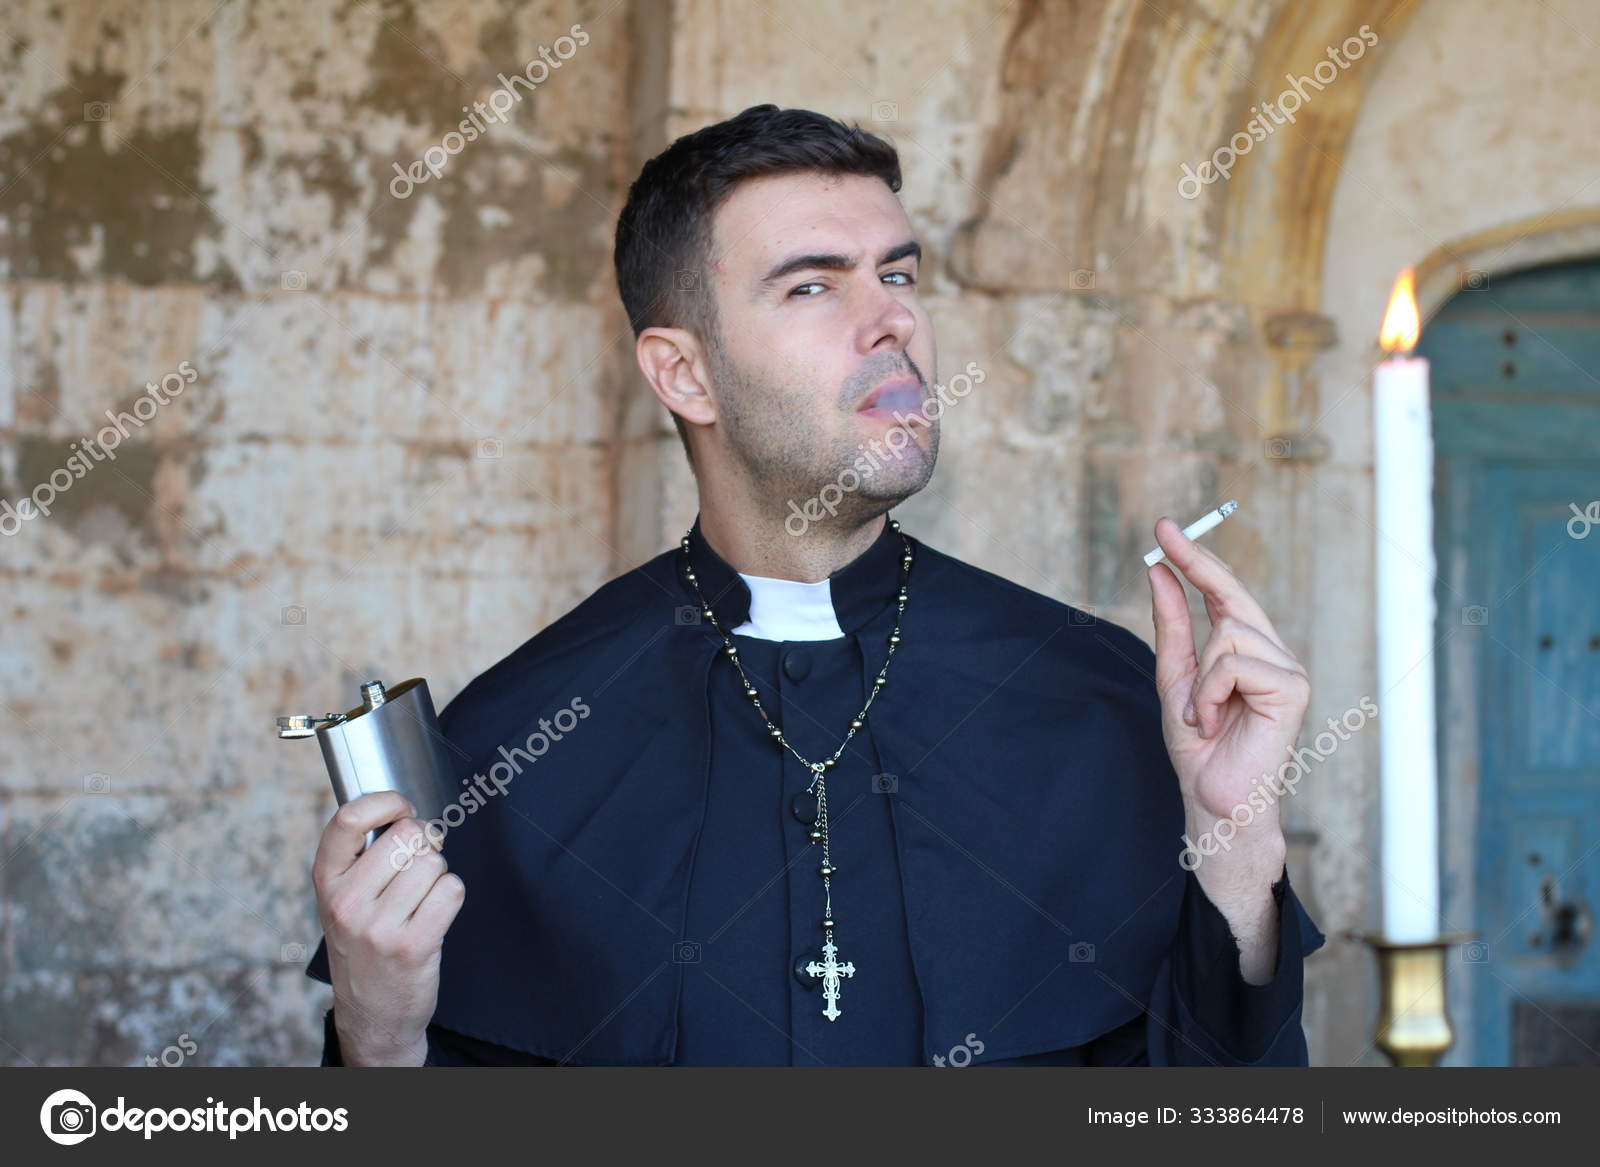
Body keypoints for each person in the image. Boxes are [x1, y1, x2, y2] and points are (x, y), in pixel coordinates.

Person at [304, 104, 1324, 1067]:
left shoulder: (1101, 696)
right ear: (682, 375)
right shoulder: (515, 738)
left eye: (900, 275)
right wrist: (380, 1038)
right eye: (813, 285)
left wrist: (1236, 844)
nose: (891, 323)